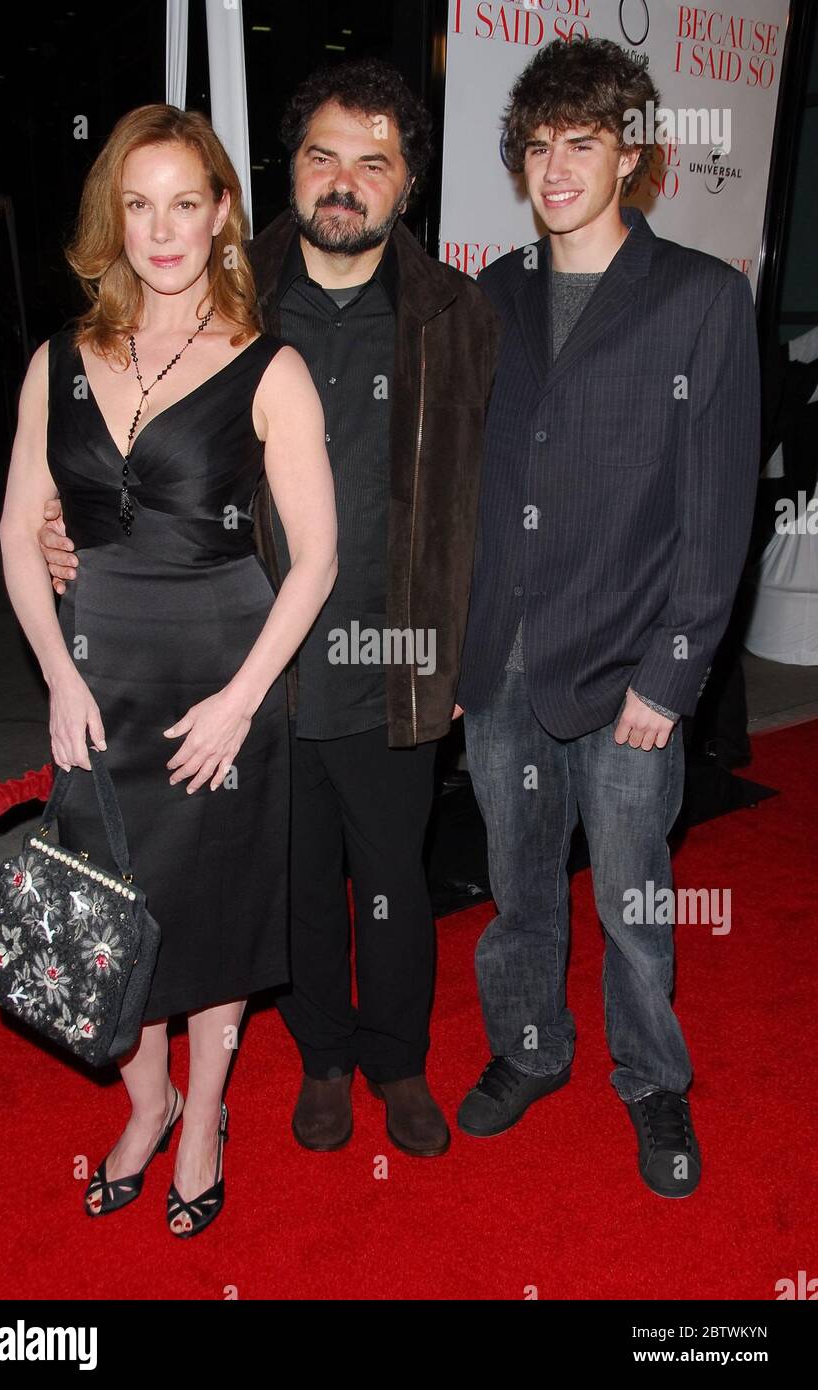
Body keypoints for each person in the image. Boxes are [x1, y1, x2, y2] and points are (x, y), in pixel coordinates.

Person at [39, 59, 499, 1159]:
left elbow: (491, 494)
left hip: (391, 657)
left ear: (408, 184)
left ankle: (395, 1058)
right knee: (285, 885)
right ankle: (324, 1059)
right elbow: (123, 431)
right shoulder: (233, 292)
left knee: (393, 878)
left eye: (372, 163)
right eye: (321, 156)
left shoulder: (456, 319)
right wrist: (71, 528)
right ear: (285, 173)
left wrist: (475, 658)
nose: (344, 181)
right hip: (248, 668)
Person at [0, 103, 337, 1235]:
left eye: (184, 202)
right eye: (137, 205)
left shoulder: (270, 368)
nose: (161, 229)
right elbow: (17, 528)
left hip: (218, 682)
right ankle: (146, 1103)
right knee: (107, 911)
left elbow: (315, 557)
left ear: (222, 214)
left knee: (212, 915)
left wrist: (243, 705)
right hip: (97, 680)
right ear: (113, 218)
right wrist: (55, 670)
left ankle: (203, 1120)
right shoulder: (58, 358)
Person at [454, 38, 760, 1196]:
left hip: (630, 666)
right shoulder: (493, 296)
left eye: (580, 142)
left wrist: (668, 678)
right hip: (501, 669)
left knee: (632, 901)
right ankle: (529, 1050)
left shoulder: (698, 298)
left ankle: (651, 1082)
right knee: (516, 884)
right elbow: (470, 496)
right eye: (536, 146)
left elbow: (714, 508)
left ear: (629, 155)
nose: (555, 168)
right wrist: (452, 649)